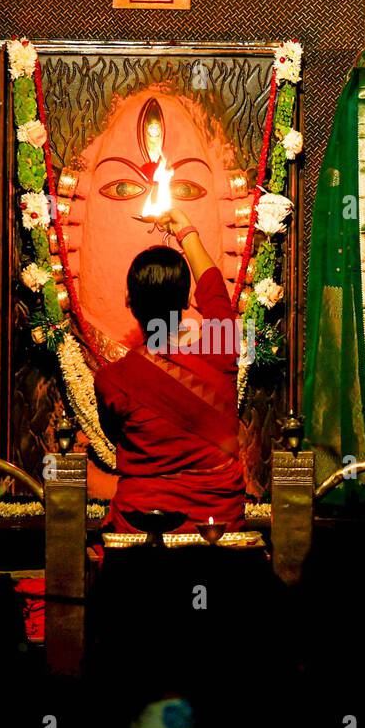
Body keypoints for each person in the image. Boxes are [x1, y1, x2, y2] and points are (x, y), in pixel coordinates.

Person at [93, 206, 246, 533]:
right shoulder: (221, 350)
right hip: (217, 528)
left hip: (144, 526)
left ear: (127, 300)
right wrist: (187, 231)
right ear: (187, 301)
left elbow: (114, 435)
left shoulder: (113, 380)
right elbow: (215, 293)